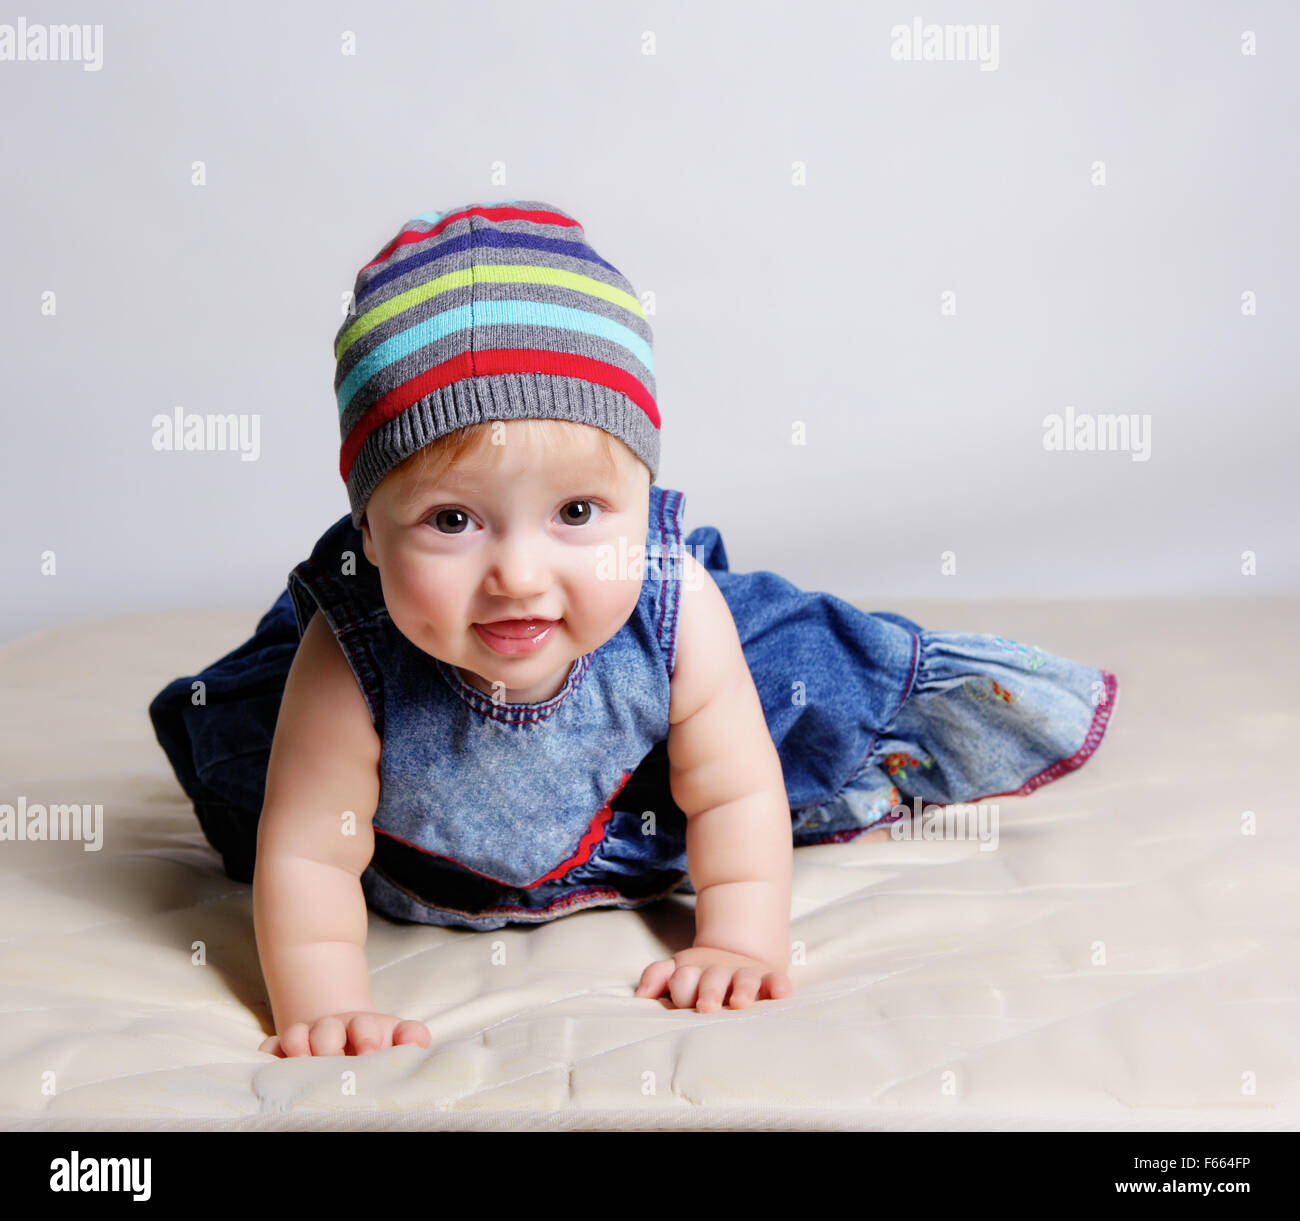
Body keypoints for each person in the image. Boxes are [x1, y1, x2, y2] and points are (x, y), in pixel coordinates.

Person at [149, 199, 1119, 1057]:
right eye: (452, 521)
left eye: (576, 513)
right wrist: (326, 1005)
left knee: (798, 672)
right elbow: (313, 851)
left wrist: (739, 936)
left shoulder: (669, 598)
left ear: (641, 494)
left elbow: (735, 792)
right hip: (416, 863)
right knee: (251, 751)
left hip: (624, 831)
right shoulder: (349, 648)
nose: (520, 576)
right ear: (368, 525)